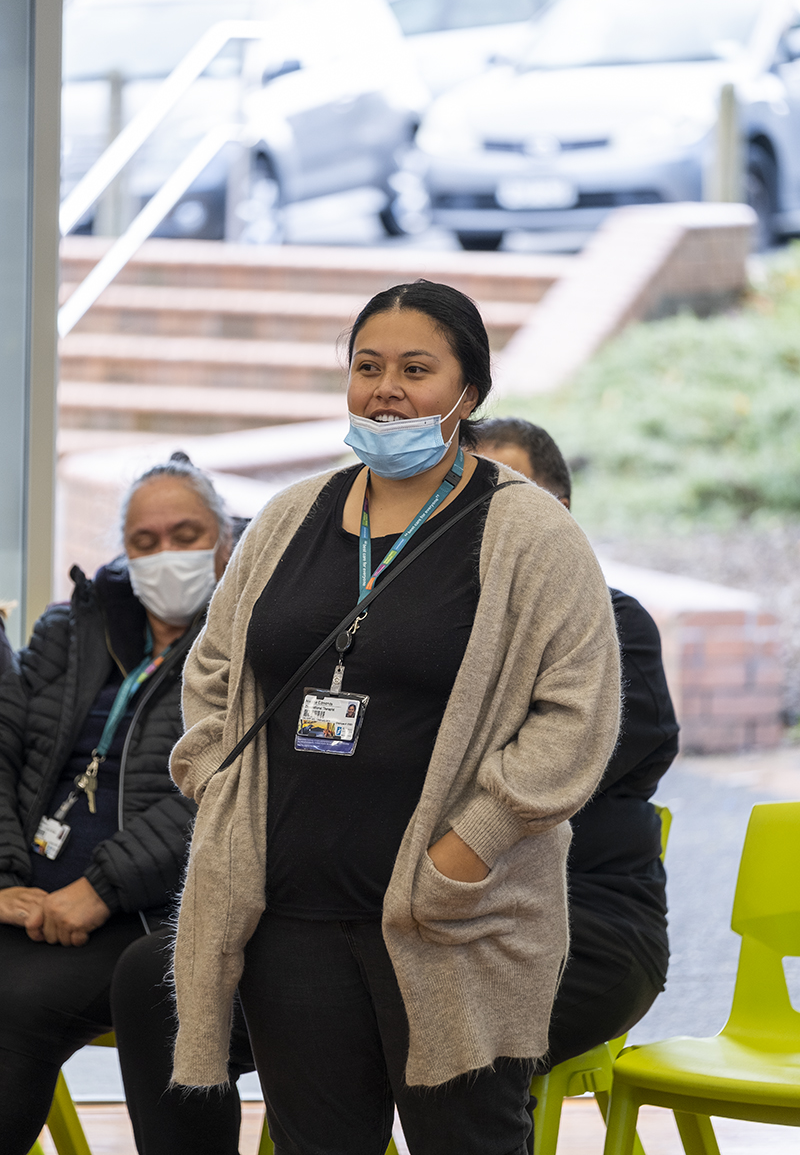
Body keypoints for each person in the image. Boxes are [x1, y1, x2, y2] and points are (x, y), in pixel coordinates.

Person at [166, 280, 621, 1155]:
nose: (387, 389)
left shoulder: (529, 532)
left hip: (453, 919)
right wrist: (215, 781)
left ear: (468, 393)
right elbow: (216, 666)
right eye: (368, 366)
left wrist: (468, 847)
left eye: (417, 369)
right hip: (287, 911)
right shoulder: (288, 518)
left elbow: (578, 713)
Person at [0, 451, 232, 1155]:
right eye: (145, 542)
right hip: (34, 897)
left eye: (187, 536)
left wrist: (100, 888)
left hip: (149, 914)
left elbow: (232, 784)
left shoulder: (259, 640)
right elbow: (7, 754)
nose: (167, 556)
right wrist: (6, 878)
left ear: (225, 539)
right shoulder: (72, 629)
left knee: (14, 1005)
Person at [472, 417, 679, 1070]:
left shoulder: (618, 627)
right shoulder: (434, 633)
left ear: (560, 513)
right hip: (447, 912)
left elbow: (553, 771)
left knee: (445, 1022)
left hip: (586, 917)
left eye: (507, 497)